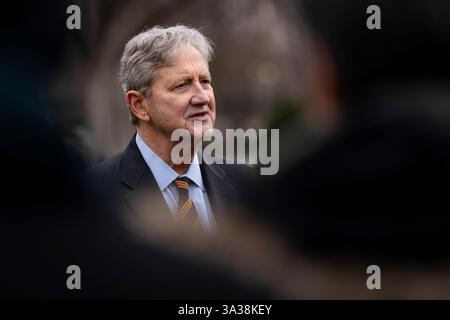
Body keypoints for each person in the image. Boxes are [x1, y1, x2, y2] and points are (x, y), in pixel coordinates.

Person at [89, 25, 253, 233]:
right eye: (182, 85)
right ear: (139, 105)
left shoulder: (244, 183)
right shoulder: (94, 193)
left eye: (205, 81)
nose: (202, 97)